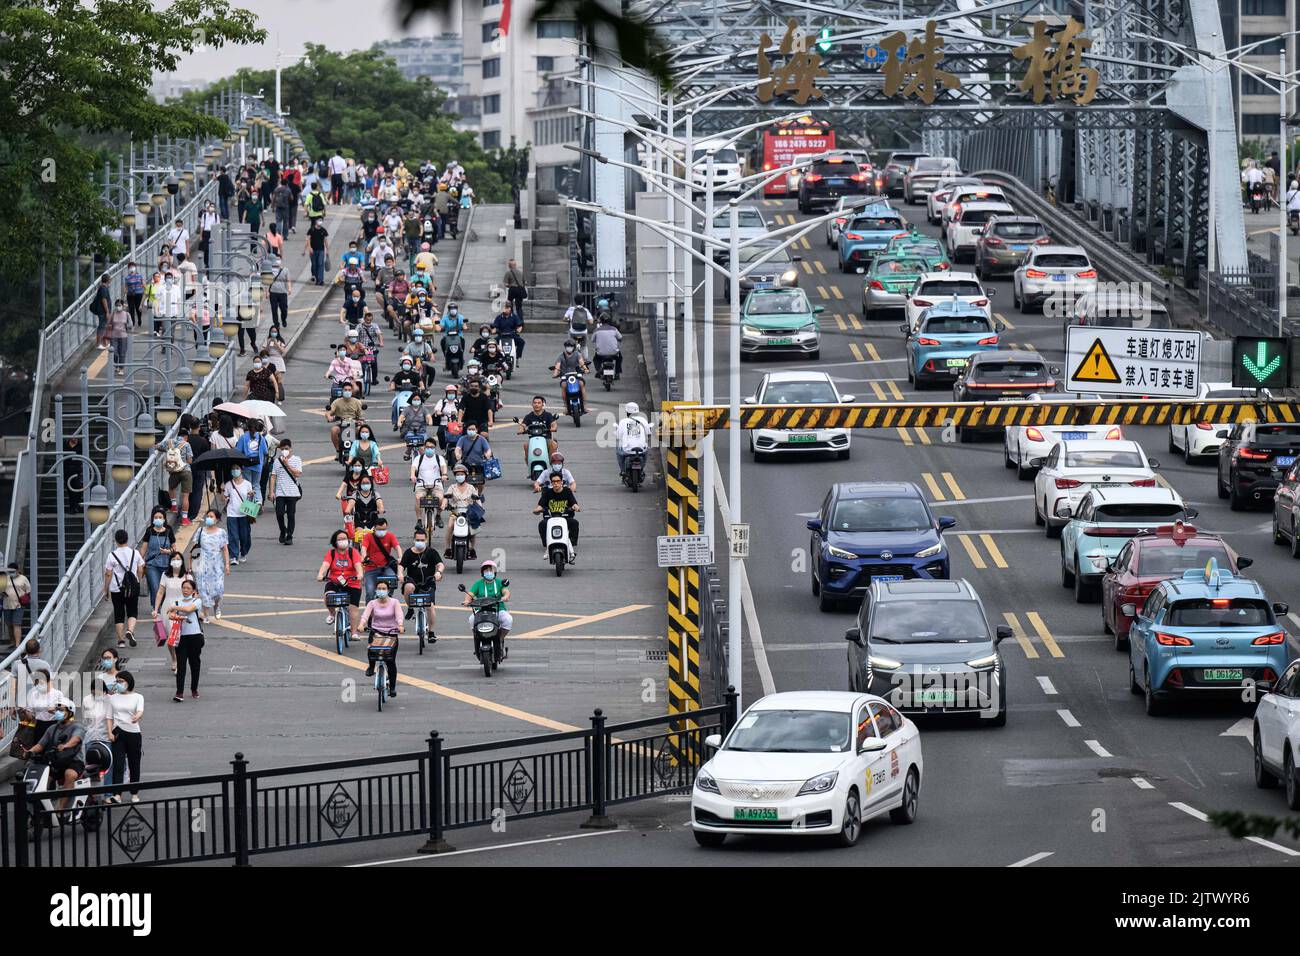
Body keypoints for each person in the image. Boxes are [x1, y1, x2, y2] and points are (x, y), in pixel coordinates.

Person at [22, 699, 85, 807]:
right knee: (42, 776)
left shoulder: (77, 726)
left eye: (61, 710)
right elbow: (41, 745)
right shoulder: (52, 728)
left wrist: (65, 745)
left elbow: (76, 739)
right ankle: (42, 808)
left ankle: (60, 809)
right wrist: (30, 751)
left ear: (70, 712)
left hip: (74, 761)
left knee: (69, 774)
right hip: (56, 761)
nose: (58, 712)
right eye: (57, 710)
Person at [359, 579, 403, 696]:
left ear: (388, 590)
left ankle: (392, 687)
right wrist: (361, 625)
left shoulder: (395, 602)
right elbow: (365, 616)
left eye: (384, 589)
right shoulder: (372, 603)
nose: (381, 591)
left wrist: (400, 625)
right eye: (379, 589)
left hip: (391, 634)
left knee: (391, 662)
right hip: (376, 632)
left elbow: (399, 616)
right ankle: (371, 666)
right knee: (371, 651)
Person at [398, 526, 443, 640]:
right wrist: (400, 574)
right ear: (414, 540)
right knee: (408, 587)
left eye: (422, 540)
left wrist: (439, 572)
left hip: (428, 582)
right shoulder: (408, 552)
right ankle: (410, 608)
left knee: (430, 607)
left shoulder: (431, 552)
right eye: (418, 540)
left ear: (426, 540)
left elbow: (440, 564)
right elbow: (401, 565)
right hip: (413, 581)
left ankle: (431, 632)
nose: (420, 542)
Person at [105, 670, 144, 802]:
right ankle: (117, 794)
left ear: (129, 682)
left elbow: (140, 710)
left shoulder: (138, 697)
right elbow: (109, 717)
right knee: (118, 764)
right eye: (117, 681)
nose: (118, 684)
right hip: (118, 732)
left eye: (121, 681)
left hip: (133, 733)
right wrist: (110, 732)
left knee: (134, 763)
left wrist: (137, 716)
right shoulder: (113, 698)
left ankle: (134, 793)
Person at [318, 530, 364, 635]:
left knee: (353, 608)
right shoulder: (332, 553)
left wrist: (359, 574)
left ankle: (353, 632)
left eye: (345, 538)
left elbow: (358, 565)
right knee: (328, 596)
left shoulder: (353, 552)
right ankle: (332, 614)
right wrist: (320, 574)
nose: (343, 541)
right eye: (340, 539)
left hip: (352, 582)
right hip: (335, 581)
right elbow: (325, 564)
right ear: (335, 542)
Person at [104, 528, 144, 648]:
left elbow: (108, 573)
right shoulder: (135, 553)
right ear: (127, 539)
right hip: (133, 587)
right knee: (132, 610)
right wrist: (138, 580)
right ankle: (130, 631)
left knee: (119, 613)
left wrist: (106, 589)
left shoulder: (112, 555)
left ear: (116, 541)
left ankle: (121, 641)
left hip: (117, 588)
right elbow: (141, 568)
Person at [168, 577, 205, 701]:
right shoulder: (178, 602)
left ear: (193, 590)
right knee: (181, 665)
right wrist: (173, 615)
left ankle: (194, 689)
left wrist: (174, 608)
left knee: (195, 664)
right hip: (181, 637)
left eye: (188, 588)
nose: (185, 590)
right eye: (184, 588)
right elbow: (171, 615)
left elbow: (189, 610)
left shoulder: (197, 601)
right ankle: (179, 692)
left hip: (195, 636)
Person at [463, 559, 511, 641]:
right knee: (472, 620)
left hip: (498, 609)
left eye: (490, 570)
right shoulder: (478, 583)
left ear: (494, 572)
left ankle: (500, 639)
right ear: (482, 573)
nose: (489, 572)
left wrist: (505, 597)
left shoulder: (499, 582)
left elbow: (506, 591)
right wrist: (467, 601)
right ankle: (477, 638)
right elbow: (470, 594)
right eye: (486, 570)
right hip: (481, 610)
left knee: (508, 619)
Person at [534, 471, 581, 556]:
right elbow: (540, 505)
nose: (556, 484)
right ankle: (547, 543)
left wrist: (576, 507)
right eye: (553, 482)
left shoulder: (567, 491)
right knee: (542, 524)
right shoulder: (547, 493)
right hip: (550, 518)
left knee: (574, 523)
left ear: (562, 482)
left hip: (565, 518)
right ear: (551, 483)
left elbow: (574, 503)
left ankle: (571, 543)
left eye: (558, 481)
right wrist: (537, 510)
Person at [268, 437, 303, 545]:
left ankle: (289, 536)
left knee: (291, 515)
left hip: (292, 492)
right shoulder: (277, 462)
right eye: (282, 449)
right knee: (279, 513)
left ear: (291, 448)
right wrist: (271, 492)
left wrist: (287, 464)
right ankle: (283, 530)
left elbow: (297, 474)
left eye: (286, 448)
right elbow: (273, 476)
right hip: (280, 493)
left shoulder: (297, 459)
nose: (284, 451)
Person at [140, 508, 176, 609]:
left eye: (160, 517)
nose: (158, 519)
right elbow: (144, 548)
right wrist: (139, 561)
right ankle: (157, 608)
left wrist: (167, 552)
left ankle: (164, 606)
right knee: (155, 587)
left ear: (164, 519)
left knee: (166, 588)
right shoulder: (149, 531)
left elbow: (174, 548)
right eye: (156, 517)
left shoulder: (169, 531)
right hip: (152, 565)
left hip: (166, 565)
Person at [360, 515, 401, 603]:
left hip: (386, 567)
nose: (382, 531)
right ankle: (369, 614)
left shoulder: (390, 536)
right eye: (379, 529)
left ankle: (388, 597)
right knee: (370, 592)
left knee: (392, 580)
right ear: (374, 528)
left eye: (384, 529)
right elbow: (363, 548)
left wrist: (400, 557)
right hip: (371, 568)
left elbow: (397, 547)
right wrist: (365, 557)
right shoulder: (368, 537)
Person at [442, 463, 478, 557]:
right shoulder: (452, 487)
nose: (459, 476)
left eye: (461, 474)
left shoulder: (471, 487)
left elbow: (477, 499)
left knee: (473, 530)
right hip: (455, 513)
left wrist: (479, 508)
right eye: (457, 475)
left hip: (469, 514)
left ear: (466, 475)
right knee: (450, 526)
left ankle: (472, 548)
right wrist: (443, 504)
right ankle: (448, 548)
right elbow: (446, 496)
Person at [222, 466, 256, 564]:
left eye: (237, 468)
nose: (235, 471)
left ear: (241, 470)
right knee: (233, 536)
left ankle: (243, 553)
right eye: (232, 469)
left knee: (245, 536)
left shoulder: (247, 484)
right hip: (232, 513)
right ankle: (233, 556)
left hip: (244, 513)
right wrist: (222, 491)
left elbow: (251, 497)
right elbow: (224, 498)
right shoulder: (228, 484)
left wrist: (251, 494)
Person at [411, 436, 445, 523]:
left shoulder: (439, 458)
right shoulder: (419, 458)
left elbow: (443, 467)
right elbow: (413, 467)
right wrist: (412, 476)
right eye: (428, 447)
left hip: (436, 484)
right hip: (421, 484)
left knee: (440, 499)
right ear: (424, 447)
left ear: (435, 448)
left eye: (432, 447)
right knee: (418, 498)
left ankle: (438, 515)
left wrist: (444, 474)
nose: (429, 449)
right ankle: (419, 520)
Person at [615, 401, 653, 477]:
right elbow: (648, 433)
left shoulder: (623, 421)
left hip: (627, 450)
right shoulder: (643, 420)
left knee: (618, 451)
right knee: (646, 452)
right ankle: (641, 470)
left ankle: (623, 470)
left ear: (627, 412)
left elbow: (618, 436)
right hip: (641, 449)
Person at [163, 430, 193, 522]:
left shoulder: (170, 442)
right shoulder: (186, 444)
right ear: (186, 437)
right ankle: (184, 519)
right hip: (186, 471)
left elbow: (160, 446)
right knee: (185, 496)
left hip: (174, 471)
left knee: (171, 488)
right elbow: (190, 460)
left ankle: (174, 506)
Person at [551, 338, 589, 410]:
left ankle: (584, 405)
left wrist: (585, 369)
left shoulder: (577, 354)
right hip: (565, 376)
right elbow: (557, 366)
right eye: (568, 346)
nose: (569, 348)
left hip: (576, 375)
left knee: (581, 384)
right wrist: (555, 373)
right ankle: (565, 405)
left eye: (571, 346)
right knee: (563, 385)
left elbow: (581, 362)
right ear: (565, 347)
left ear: (574, 347)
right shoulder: (561, 356)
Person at [454, 422, 493, 491]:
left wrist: (488, 454)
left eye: (473, 429)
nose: (471, 431)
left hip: (479, 464)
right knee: (463, 481)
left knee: (481, 482)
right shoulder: (462, 439)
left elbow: (488, 449)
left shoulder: (481, 439)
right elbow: (458, 448)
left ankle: (479, 494)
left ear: (476, 430)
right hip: (466, 464)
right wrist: (457, 454)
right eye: (469, 429)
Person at [518, 395, 559, 461]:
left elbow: (554, 424)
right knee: (526, 445)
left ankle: (551, 463)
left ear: (543, 404)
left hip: (546, 439)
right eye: (535, 403)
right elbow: (522, 425)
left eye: (539, 403)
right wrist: (521, 429)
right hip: (533, 440)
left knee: (553, 444)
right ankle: (530, 464)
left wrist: (554, 428)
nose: (536, 405)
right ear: (532, 404)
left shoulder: (548, 415)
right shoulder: (529, 416)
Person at [236, 422, 269, 504]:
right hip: (258, 465)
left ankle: (250, 505)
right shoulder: (261, 438)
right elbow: (265, 451)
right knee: (256, 485)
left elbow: (238, 451)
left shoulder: (243, 438)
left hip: (247, 465)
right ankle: (259, 502)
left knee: (248, 485)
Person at [2, 562, 31, 648]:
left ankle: (17, 644)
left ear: (17, 570)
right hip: (7, 604)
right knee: (9, 624)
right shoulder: (5, 579)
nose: (11, 573)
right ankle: (12, 642)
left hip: (18, 605)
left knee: (16, 624)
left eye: (12, 571)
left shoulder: (23, 578)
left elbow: (28, 590)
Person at [492, 300, 525, 364]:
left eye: (508, 307)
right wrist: (494, 330)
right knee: (492, 343)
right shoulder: (499, 317)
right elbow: (495, 327)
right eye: (504, 308)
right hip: (501, 336)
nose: (506, 309)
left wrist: (519, 330)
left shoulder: (514, 317)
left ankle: (517, 358)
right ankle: (495, 358)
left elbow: (519, 326)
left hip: (512, 336)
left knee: (521, 342)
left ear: (510, 308)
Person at [593, 314, 623, 380]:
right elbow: (620, 338)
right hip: (614, 353)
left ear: (601, 321)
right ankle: (617, 373)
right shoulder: (614, 329)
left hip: (601, 354)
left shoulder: (597, 330)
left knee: (595, 359)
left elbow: (592, 340)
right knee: (619, 358)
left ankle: (599, 369)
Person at [90, 273, 113, 350]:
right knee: (102, 327)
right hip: (103, 312)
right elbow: (104, 300)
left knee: (104, 327)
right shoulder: (103, 288)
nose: (111, 279)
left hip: (103, 311)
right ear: (107, 280)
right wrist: (107, 312)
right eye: (110, 278)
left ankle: (104, 343)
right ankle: (98, 344)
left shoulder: (103, 287)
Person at [503, 258, 528, 323]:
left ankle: (511, 320)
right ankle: (520, 323)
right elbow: (525, 282)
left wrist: (510, 285)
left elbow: (506, 284)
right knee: (519, 307)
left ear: (509, 266)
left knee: (509, 305)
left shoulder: (508, 273)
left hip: (512, 290)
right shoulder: (521, 272)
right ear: (515, 265)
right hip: (520, 290)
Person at [306, 216, 329, 284]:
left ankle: (320, 279)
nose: (320, 221)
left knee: (320, 264)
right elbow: (308, 239)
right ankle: (316, 277)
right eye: (319, 220)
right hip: (313, 250)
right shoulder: (311, 230)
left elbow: (325, 240)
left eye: (321, 220)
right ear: (316, 221)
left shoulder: (323, 230)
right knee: (314, 264)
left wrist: (327, 250)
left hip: (321, 250)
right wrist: (309, 248)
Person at [124, 261, 145, 327]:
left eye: (132, 267)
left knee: (138, 308)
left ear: (135, 268)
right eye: (130, 267)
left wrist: (144, 287)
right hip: (130, 295)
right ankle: (132, 322)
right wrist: (124, 295)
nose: (131, 268)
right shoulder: (127, 277)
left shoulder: (140, 276)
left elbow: (144, 284)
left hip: (138, 294)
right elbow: (126, 287)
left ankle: (139, 319)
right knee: (131, 309)